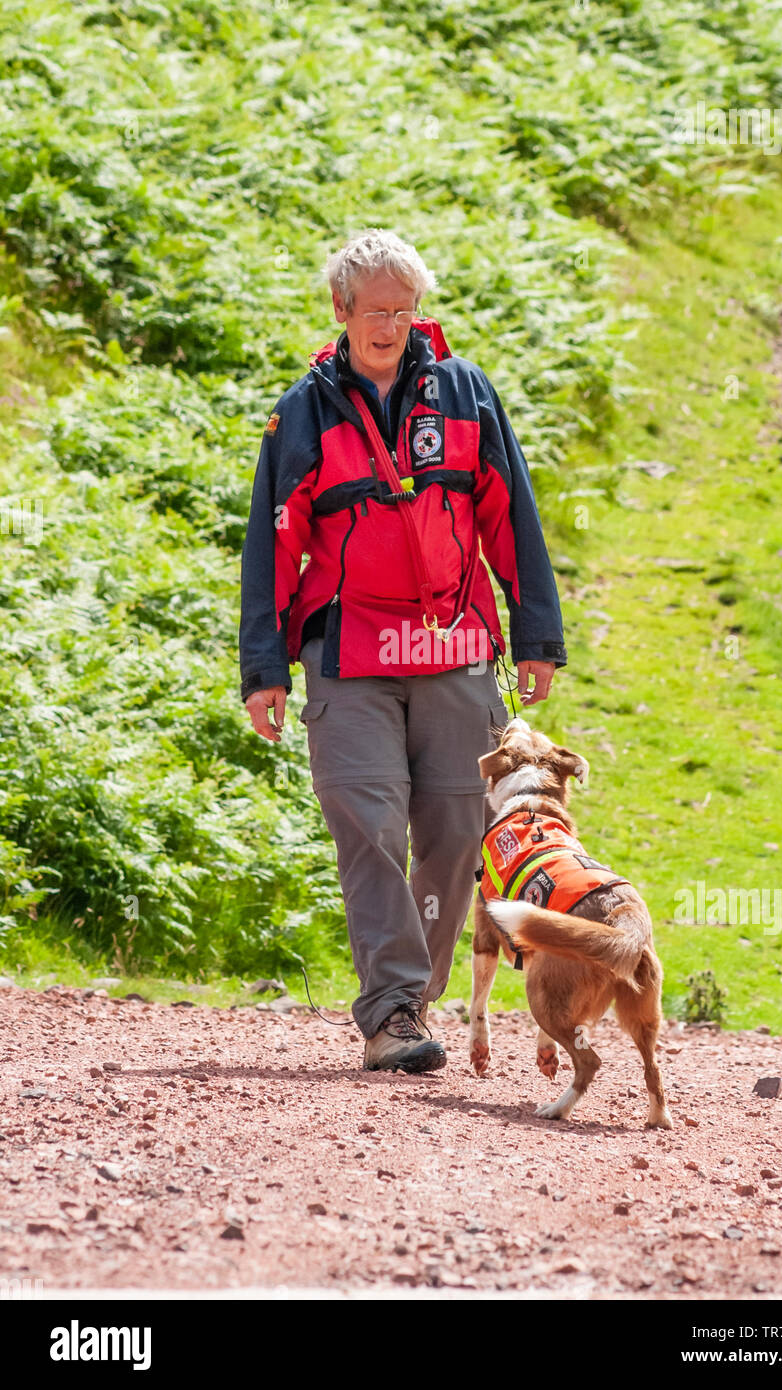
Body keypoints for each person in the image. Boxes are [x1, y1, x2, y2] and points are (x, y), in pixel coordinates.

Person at [239, 228, 566, 1073]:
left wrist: (535, 634)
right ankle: (392, 1008)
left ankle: (411, 998)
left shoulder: (465, 394)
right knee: (370, 820)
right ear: (341, 312)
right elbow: (272, 545)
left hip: (456, 650)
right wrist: (264, 666)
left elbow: (511, 516)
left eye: (403, 309)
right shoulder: (302, 413)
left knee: (458, 832)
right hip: (350, 657)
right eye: (375, 310)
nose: (390, 324)